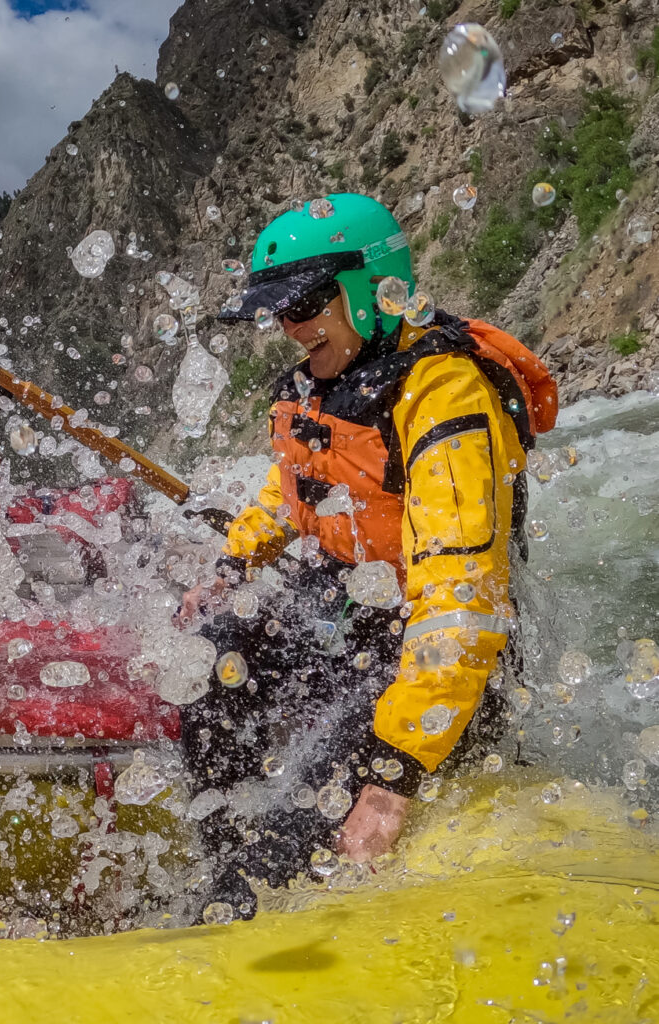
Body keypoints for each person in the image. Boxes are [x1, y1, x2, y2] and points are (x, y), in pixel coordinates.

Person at [178, 192, 555, 920]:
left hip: (428, 648)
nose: (290, 327)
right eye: (279, 312)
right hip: (348, 612)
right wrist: (234, 563)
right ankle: (221, 862)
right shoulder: (321, 385)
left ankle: (254, 894)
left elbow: (460, 597)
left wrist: (390, 780)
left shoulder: (444, 394)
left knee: (301, 822)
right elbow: (294, 490)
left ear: (371, 289)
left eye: (305, 304)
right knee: (209, 663)